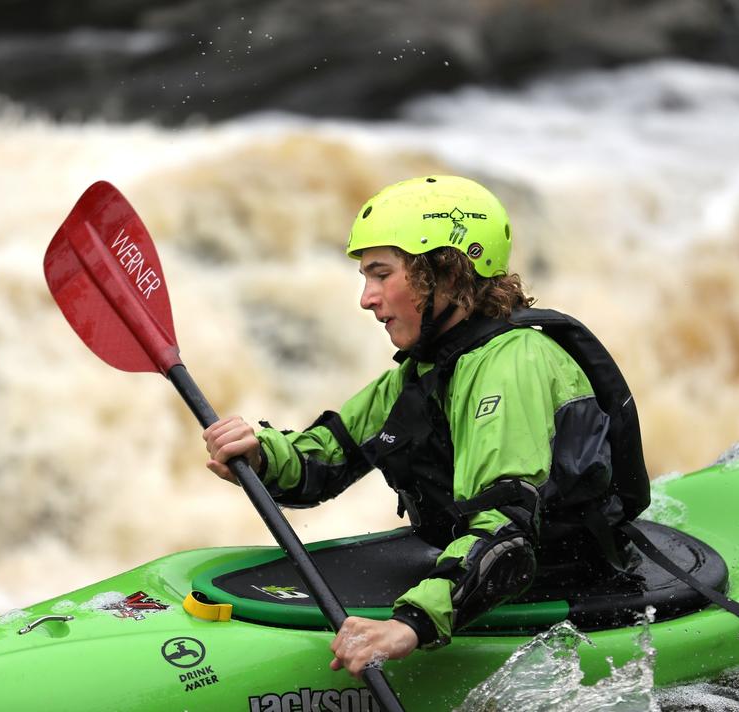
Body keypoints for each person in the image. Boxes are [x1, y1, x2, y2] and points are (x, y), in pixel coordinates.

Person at [203, 175, 647, 678]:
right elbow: (323, 461)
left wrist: (409, 625)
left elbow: (507, 535)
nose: (366, 298)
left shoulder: (512, 364)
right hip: (476, 580)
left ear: (449, 273)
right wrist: (260, 455)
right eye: (364, 277)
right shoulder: (425, 371)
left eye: (381, 274)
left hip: (561, 586)